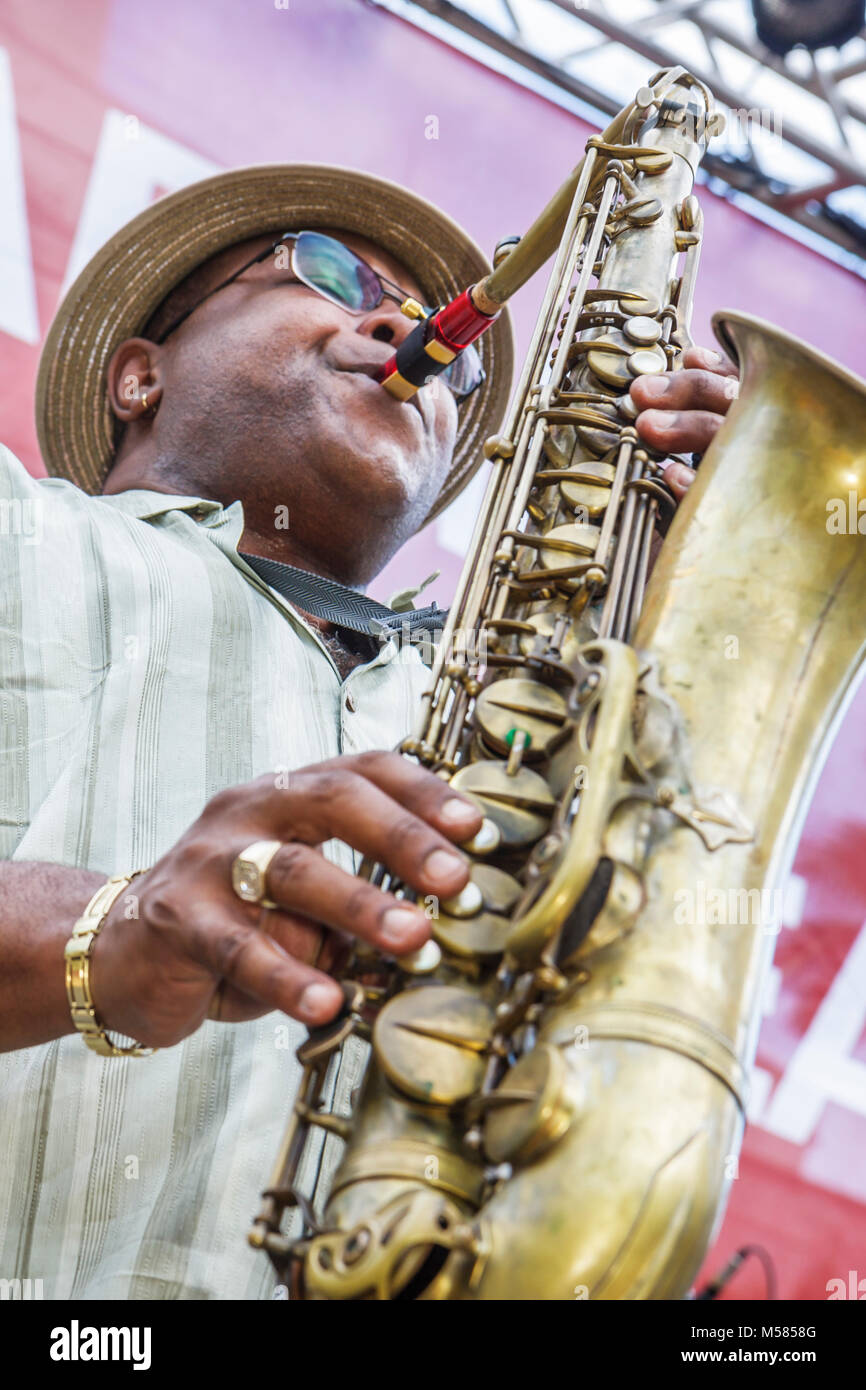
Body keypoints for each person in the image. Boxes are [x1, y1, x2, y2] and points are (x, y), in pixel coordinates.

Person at [0, 163, 738, 1299]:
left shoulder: (521, 717)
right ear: (137, 375)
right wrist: (107, 937)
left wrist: (699, 585)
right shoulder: (19, 532)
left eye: (471, 369)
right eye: (331, 273)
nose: (408, 326)